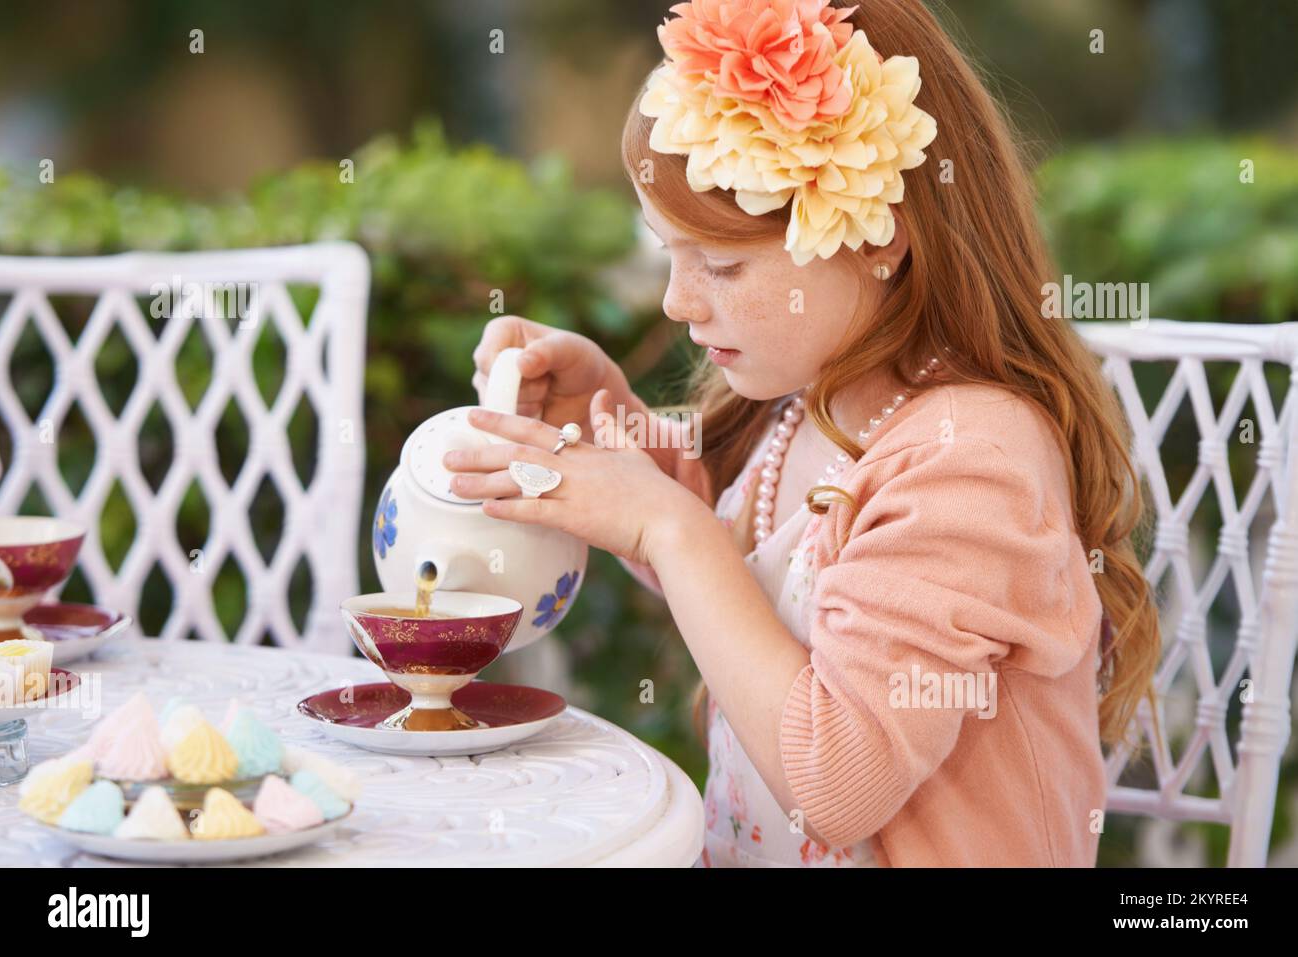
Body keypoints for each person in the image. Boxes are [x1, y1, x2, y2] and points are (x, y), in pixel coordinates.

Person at [444, 0, 1160, 867]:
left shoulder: (971, 461)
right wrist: (624, 438)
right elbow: (759, 571)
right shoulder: (815, 403)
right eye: (665, 251)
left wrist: (665, 527)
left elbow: (834, 781)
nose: (678, 301)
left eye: (723, 263)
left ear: (878, 237)